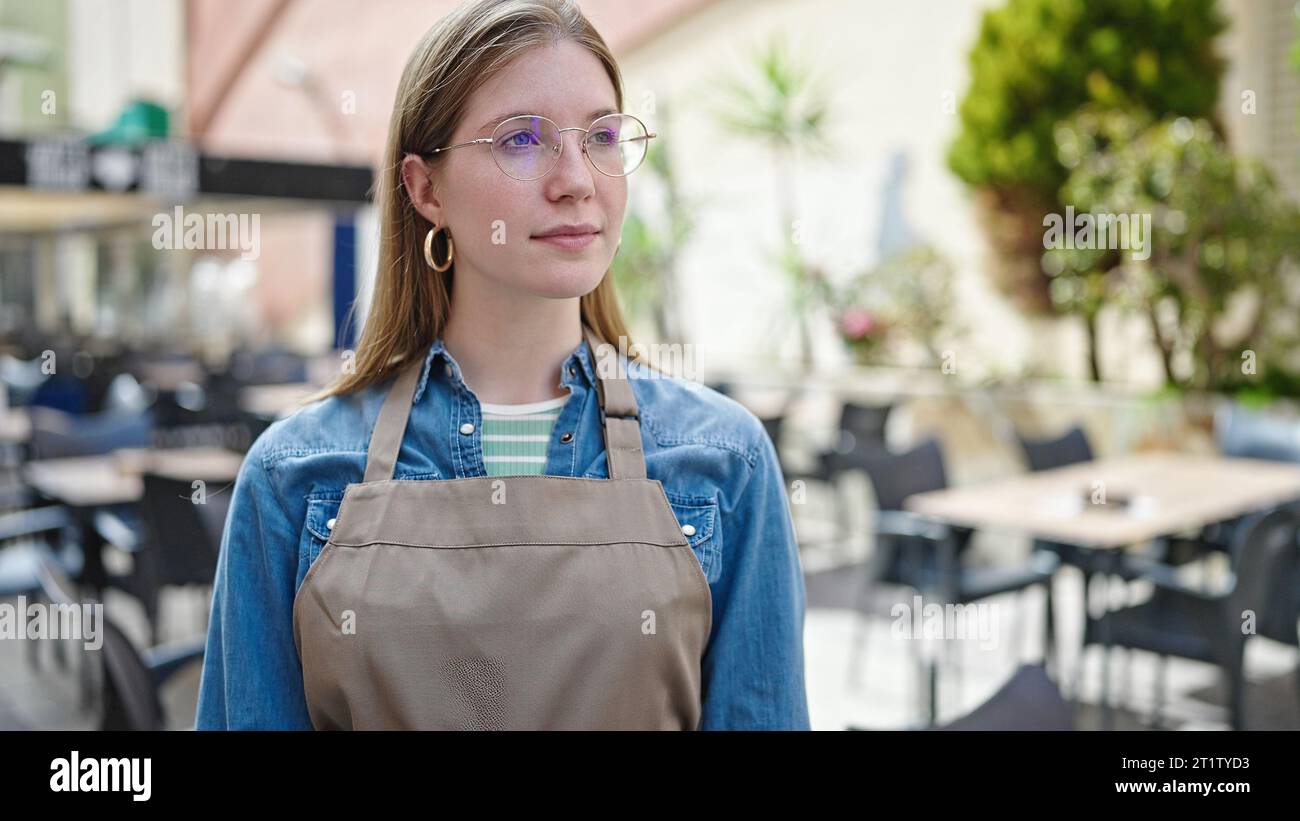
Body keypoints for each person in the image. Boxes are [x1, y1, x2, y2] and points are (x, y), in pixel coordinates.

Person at [196, 0, 808, 730]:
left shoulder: (724, 462)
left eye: (603, 136)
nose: (578, 179)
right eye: (522, 139)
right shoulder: (295, 474)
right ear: (425, 189)